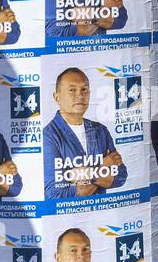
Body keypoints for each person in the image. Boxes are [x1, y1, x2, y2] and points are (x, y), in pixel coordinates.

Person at [43, 68, 127, 198]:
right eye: (72, 90)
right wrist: (102, 168)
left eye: (84, 89)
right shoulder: (48, 137)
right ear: (57, 97)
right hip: (67, 217)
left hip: (102, 212)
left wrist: (81, 174)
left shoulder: (100, 131)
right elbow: (55, 194)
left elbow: (120, 176)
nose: (80, 95)